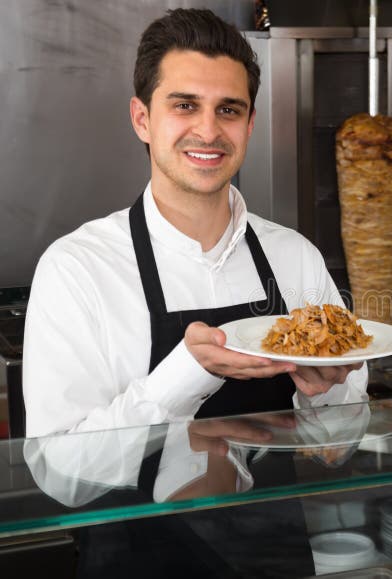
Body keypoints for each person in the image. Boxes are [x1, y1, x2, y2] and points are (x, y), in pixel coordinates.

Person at [21, 8, 366, 577]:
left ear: (249, 124)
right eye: (184, 105)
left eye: (227, 110)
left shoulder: (295, 258)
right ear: (142, 118)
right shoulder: (78, 268)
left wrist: (324, 394)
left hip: (273, 562)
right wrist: (187, 372)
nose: (208, 131)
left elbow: (339, 447)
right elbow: (61, 479)